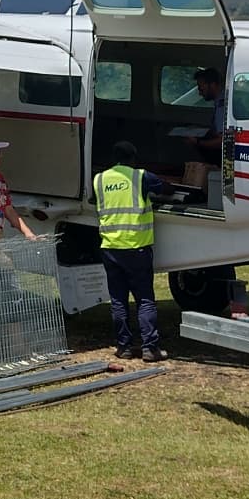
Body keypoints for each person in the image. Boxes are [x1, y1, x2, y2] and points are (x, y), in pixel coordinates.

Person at [93, 140, 166, 362]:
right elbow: (165, 188)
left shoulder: (99, 179)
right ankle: (149, 348)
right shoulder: (141, 176)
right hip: (137, 247)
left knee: (118, 300)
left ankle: (123, 347)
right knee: (145, 299)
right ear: (133, 158)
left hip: (110, 247)